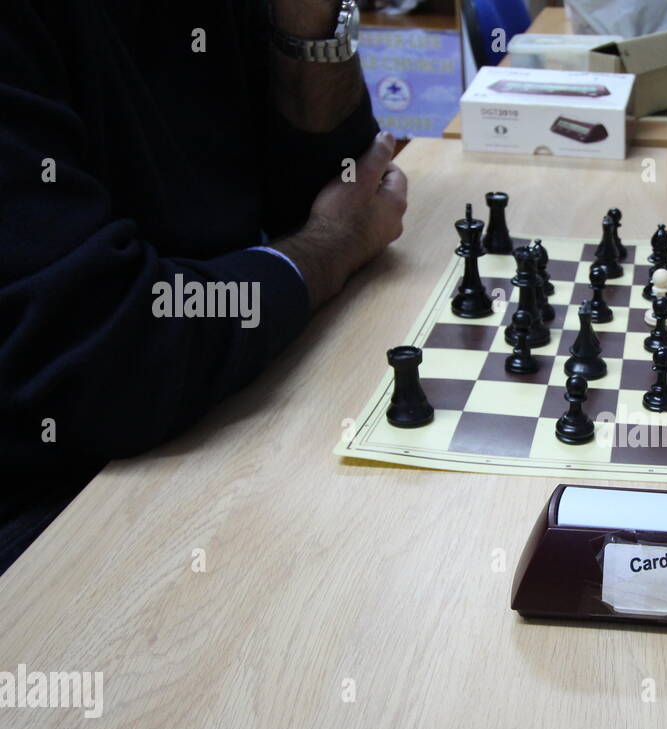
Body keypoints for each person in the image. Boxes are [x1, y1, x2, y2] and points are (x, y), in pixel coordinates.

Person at [0, 0, 407, 574]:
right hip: (55, 491)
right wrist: (327, 250)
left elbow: (340, 188)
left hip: (207, 401)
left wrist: (308, 23)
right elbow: (105, 347)